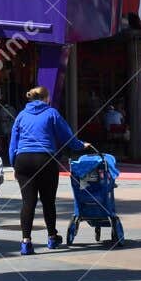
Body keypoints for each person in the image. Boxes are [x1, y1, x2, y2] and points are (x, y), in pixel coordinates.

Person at [8, 85, 88, 255]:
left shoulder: (21, 115)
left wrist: (14, 164)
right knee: (48, 201)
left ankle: (26, 242)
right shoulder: (52, 113)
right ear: (46, 98)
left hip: (24, 160)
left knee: (28, 202)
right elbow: (67, 136)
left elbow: (13, 143)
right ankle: (52, 237)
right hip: (45, 160)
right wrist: (80, 146)